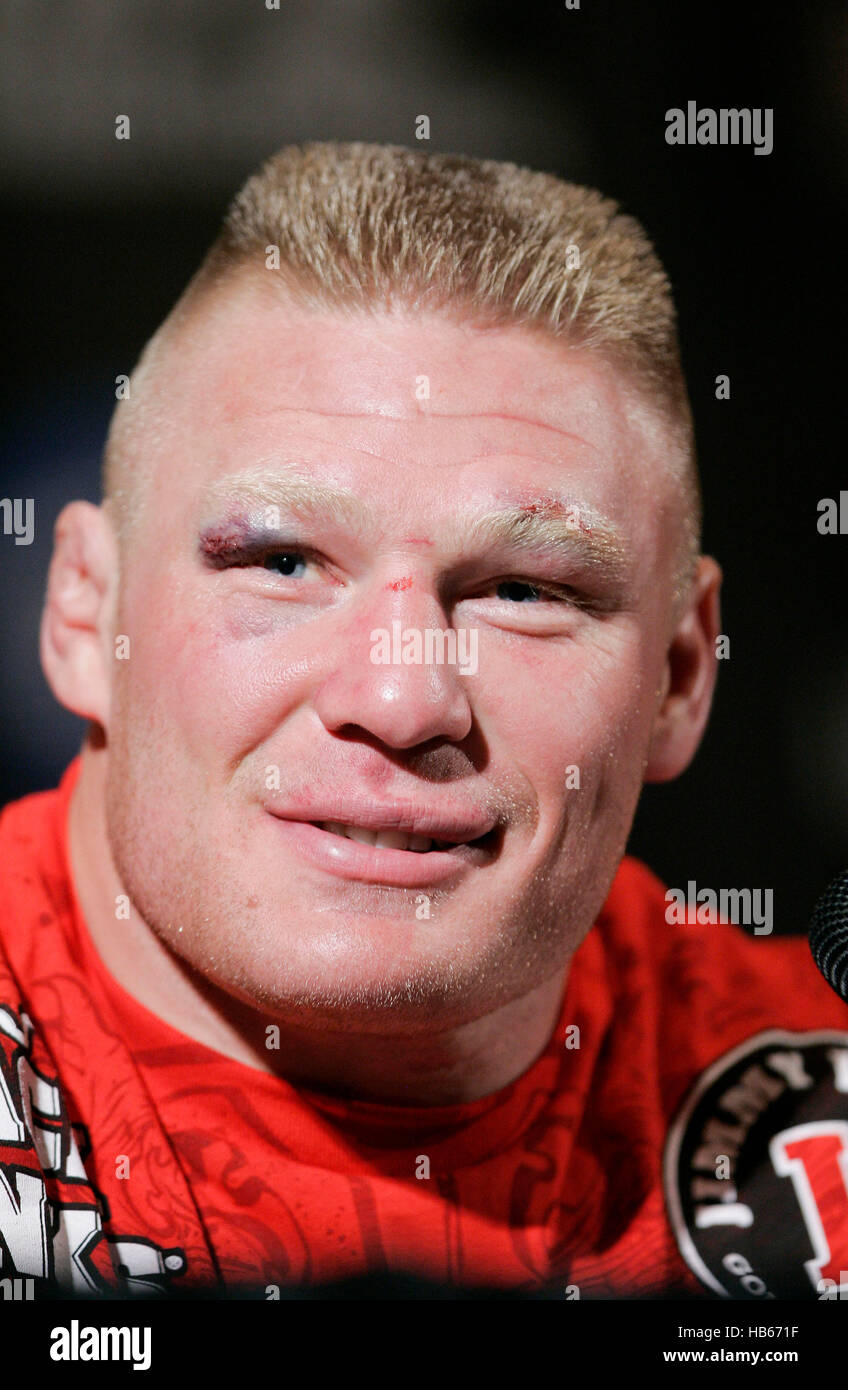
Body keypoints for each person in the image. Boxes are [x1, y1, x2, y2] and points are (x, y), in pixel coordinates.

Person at [1, 142, 846, 1301]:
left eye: (524, 591)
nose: (398, 701)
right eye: (282, 562)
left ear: (680, 675)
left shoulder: (812, 1100)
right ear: (82, 615)